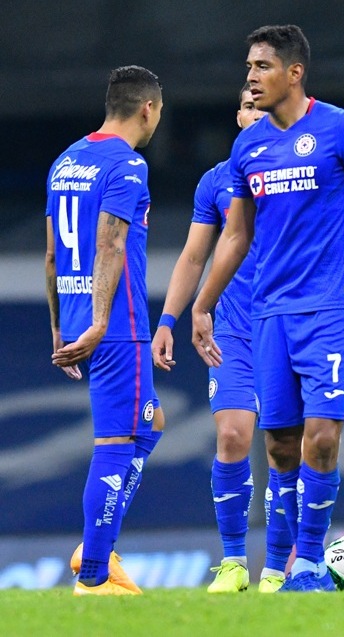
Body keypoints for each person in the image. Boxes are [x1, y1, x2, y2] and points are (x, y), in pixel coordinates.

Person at [190, 25, 344, 593]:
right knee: (278, 443)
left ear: (294, 73)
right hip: (268, 310)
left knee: (321, 436)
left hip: (330, 306)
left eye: (262, 67)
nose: (251, 77)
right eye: (248, 66)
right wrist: (203, 306)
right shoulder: (247, 147)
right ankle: (282, 566)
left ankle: (311, 563)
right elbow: (234, 236)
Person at [152, 83, 293, 593]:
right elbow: (194, 257)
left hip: (288, 324)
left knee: (284, 448)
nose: (256, 114)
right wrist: (168, 320)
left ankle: (278, 568)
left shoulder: (302, 175)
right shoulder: (215, 181)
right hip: (232, 327)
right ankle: (234, 563)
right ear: (238, 117)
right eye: (250, 106)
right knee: (232, 435)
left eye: (266, 107)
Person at [45, 66, 166, 595]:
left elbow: (52, 255)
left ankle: (99, 544)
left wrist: (59, 326)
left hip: (77, 319)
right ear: (148, 109)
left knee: (151, 423)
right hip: (117, 325)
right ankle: (94, 577)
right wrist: (99, 321)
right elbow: (109, 244)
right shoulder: (128, 166)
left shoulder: (65, 161)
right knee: (116, 442)